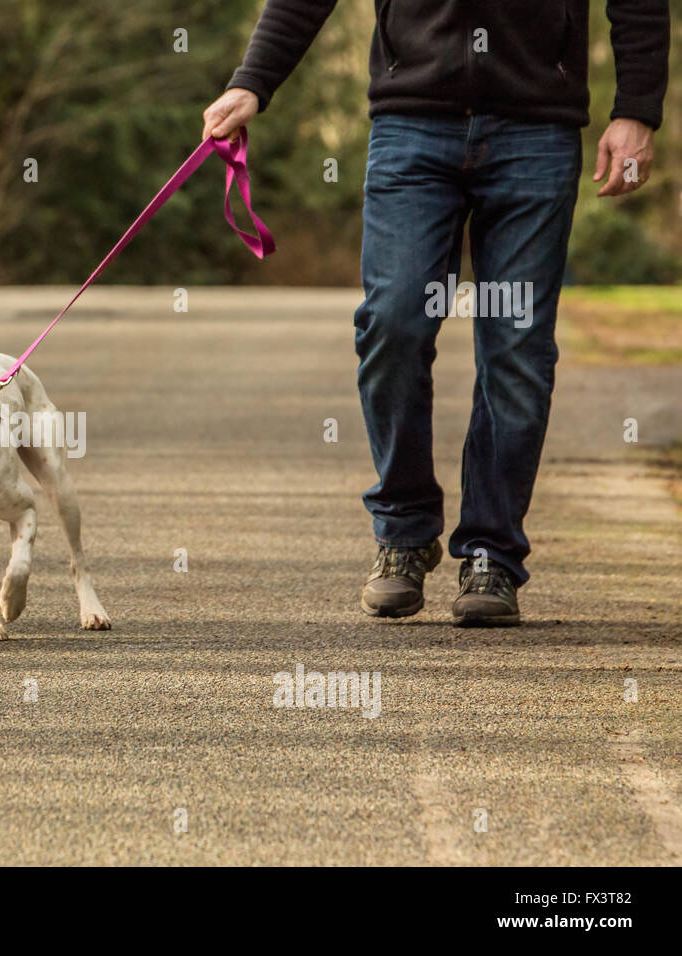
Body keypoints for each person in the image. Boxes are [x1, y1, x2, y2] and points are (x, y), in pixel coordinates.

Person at [202, 1, 669, 626]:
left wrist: (636, 108)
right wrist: (252, 80)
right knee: (392, 322)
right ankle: (403, 531)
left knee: (517, 348)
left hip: (537, 128)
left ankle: (491, 552)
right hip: (412, 124)